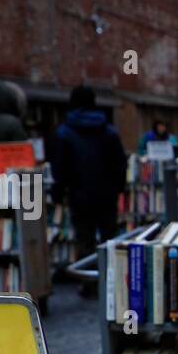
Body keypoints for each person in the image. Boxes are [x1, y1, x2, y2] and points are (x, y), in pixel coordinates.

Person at [52, 84, 128, 255]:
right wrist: (119, 188)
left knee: (84, 239)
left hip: (78, 195)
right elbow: (120, 164)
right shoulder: (109, 132)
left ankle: (87, 271)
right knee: (109, 240)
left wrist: (58, 192)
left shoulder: (64, 133)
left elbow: (60, 168)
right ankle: (110, 270)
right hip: (107, 195)